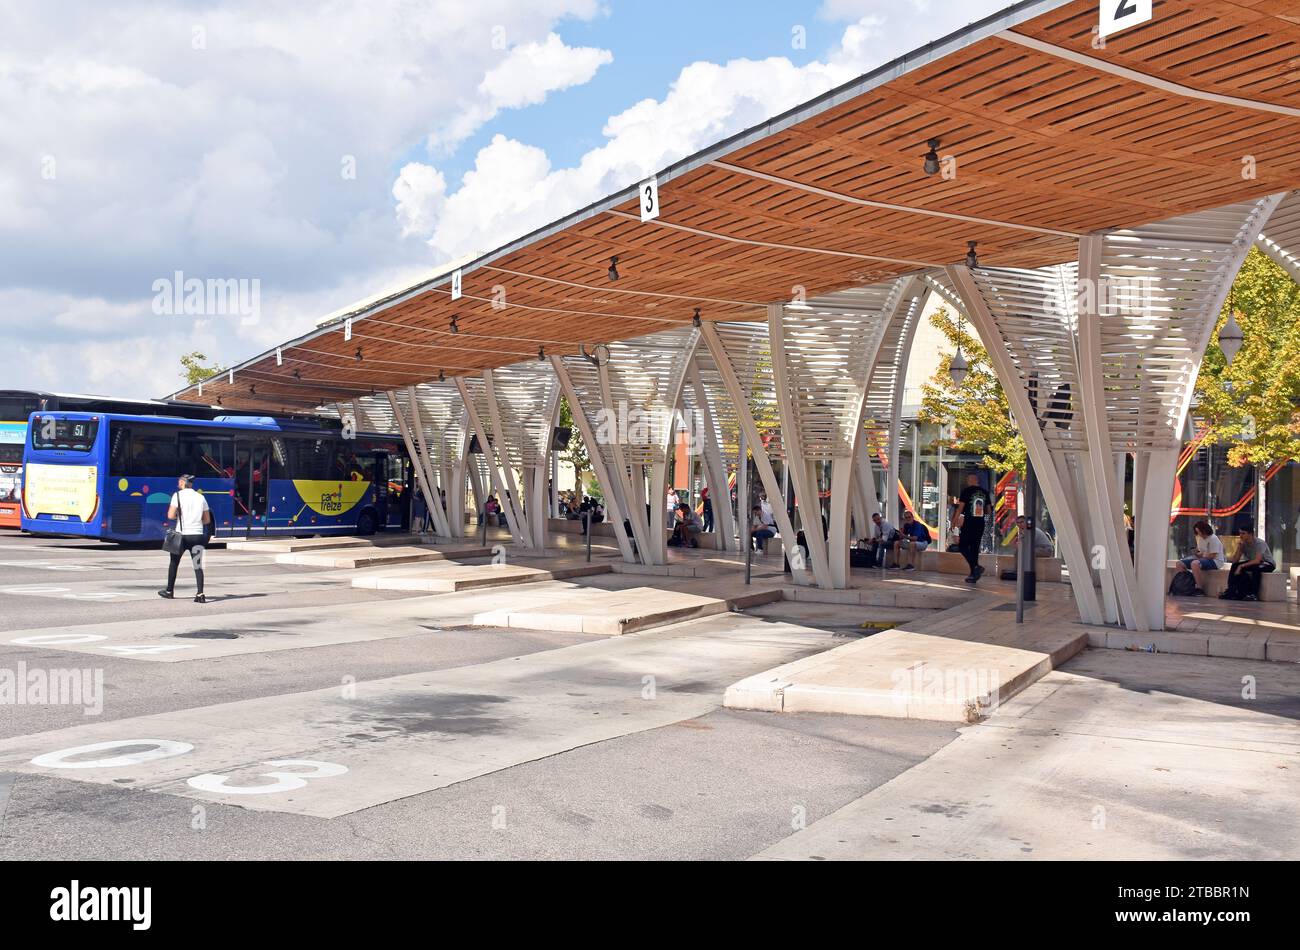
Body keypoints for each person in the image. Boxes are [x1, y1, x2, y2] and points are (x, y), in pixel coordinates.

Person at [158, 474, 212, 603]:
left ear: (183, 483)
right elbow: (207, 520)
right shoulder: (201, 497)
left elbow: (171, 515)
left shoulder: (177, 496)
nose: (178, 484)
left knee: (174, 563)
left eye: (179, 482)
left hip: (181, 535)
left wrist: (181, 517)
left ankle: (169, 591)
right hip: (197, 536)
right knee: (197, 565)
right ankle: (200, 594)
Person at [952, 473, 990, 584]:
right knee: (974, 547)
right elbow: (988, 510)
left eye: (967, 480)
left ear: (971, 480)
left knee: (962, 546)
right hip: (980, 523)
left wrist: (954, 521)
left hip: (969, 522)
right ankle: (974, 574)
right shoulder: (984, 492)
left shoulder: (966, 491)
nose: (967, 482)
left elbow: (960, 508)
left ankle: (976, 567)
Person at [1221, 526, 1275, 601]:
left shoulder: (1259, 543)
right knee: (1235, 566)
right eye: (1240, 533)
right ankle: (1231, 590)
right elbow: (1235, 561)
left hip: (1267, 563)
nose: (1241, 535)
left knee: (1257, 569)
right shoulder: (1243, 544)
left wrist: (1241, 566)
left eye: (1243, 533)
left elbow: (1258, 560)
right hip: (1254, 563)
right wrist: (1239, 548)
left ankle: (1253, 594)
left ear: (1251, 534)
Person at [1174, 520, 1224, 596]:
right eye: (1197, 532)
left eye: (1200, 531)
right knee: (1179, 563)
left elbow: (1212, 555)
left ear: (1204, 530)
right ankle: (1184, 585)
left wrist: (1201, 555)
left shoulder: (1213, 538)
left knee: (1194, 563)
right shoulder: (1199, 538)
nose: (1199, 534)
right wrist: (1196, 553)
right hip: (1203, 559)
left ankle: (1200, 589)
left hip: (1215, 561)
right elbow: (1201, 551)